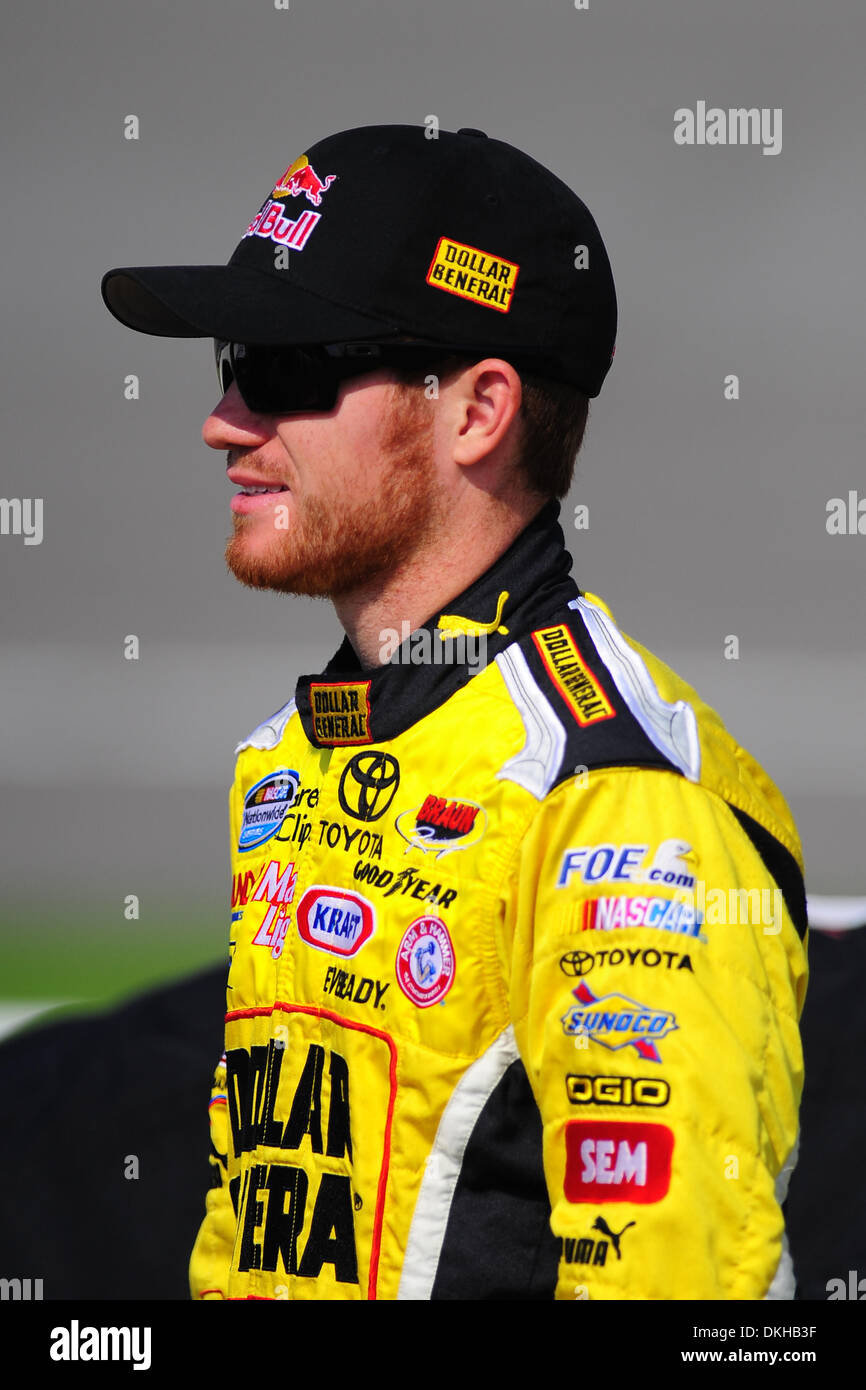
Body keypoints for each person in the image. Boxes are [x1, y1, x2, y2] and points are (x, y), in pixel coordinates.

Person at [101, 122, 808, 1301]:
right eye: (231, 358)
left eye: (285, 368)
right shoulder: (297, 754)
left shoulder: (609, 803)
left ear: (476, 411)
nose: (225, 422)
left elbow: (681, 1294)